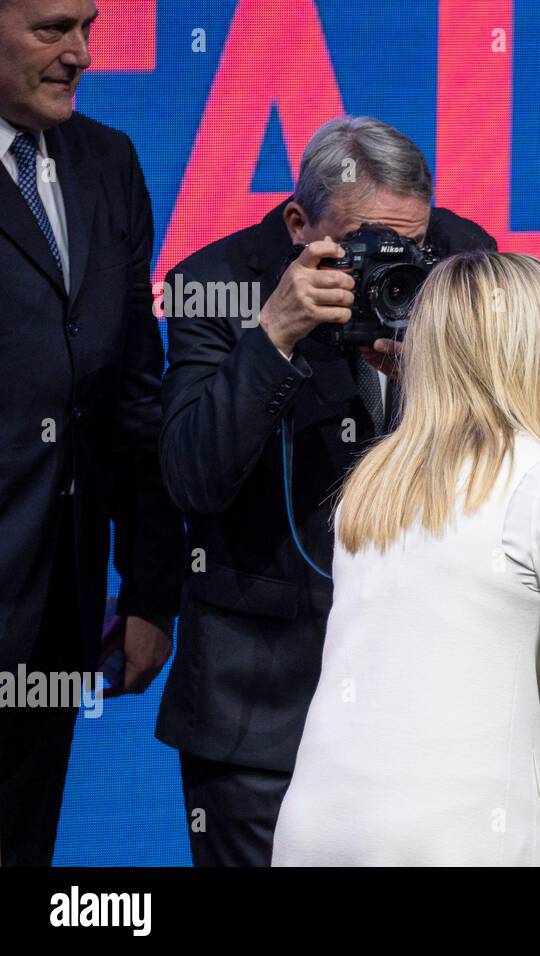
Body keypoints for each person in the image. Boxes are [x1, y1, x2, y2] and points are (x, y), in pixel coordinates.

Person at [272, 250, 540, 866]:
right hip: (459, 842)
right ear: (535, 352)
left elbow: (485, 705)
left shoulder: (374, 482)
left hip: (317, 832)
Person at [154, 116, 497, 866]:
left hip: (418, 698)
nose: (393, 262)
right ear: (298, 223)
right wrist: (271, 337)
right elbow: (192, 477)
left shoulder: (459, 256)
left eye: (409, 242)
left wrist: (430, 383)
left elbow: (501, 451)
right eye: (364, 244)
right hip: (261, 701)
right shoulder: (214, 285)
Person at [0, 0, 185, 865]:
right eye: (50, 30)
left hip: (56, 614)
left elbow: (134, 396)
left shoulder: (107, 163)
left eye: (89, 27)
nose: (79, 54)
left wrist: (150, 588)